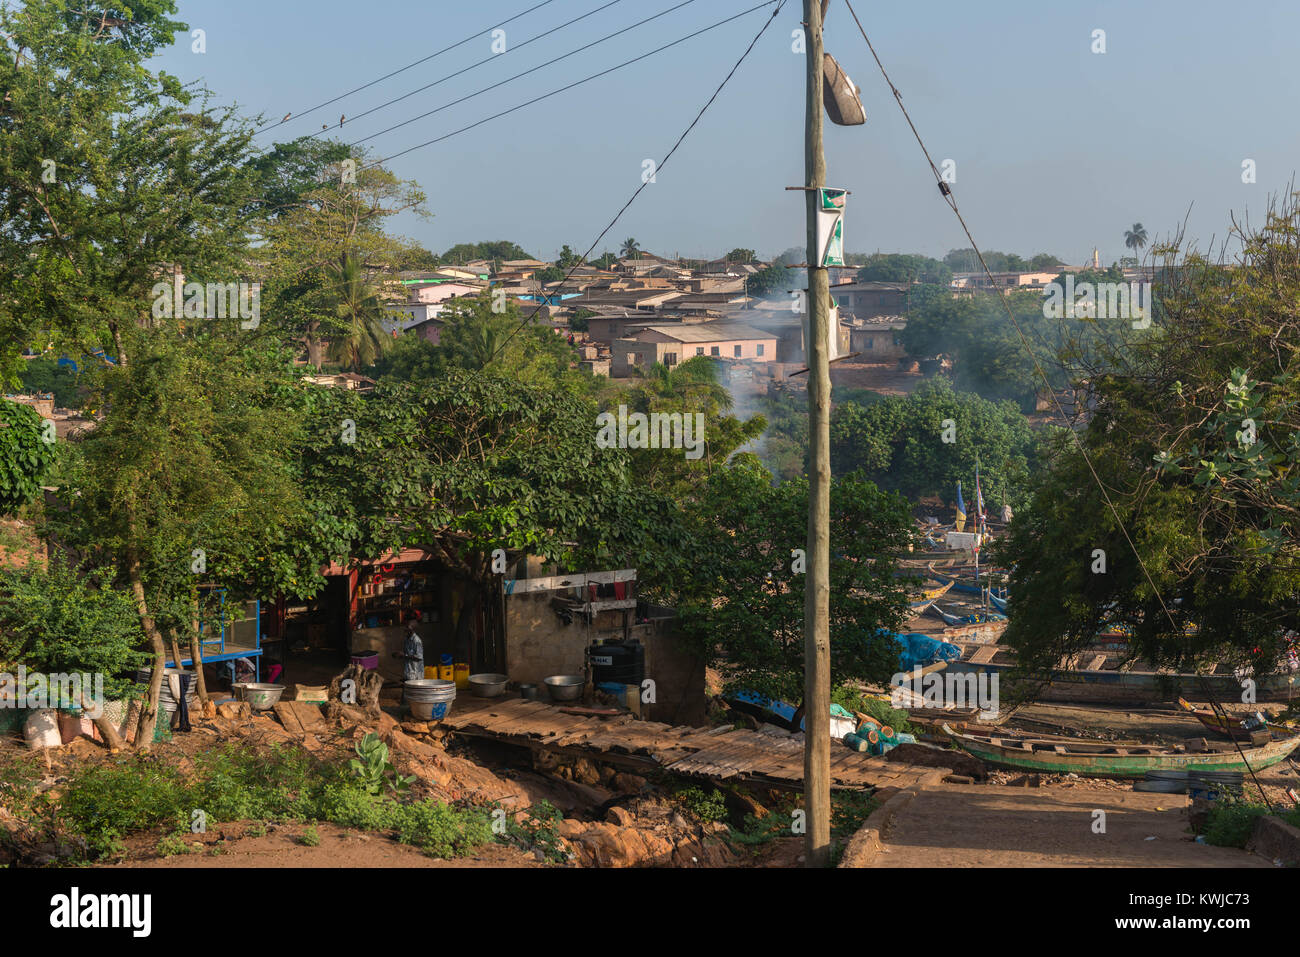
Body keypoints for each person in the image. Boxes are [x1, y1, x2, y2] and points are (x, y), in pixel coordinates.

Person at [393, 616, 424, 704]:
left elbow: (419, 657)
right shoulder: (407, 640)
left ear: (413, 628)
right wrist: (399, 655)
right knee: (406, 698)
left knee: (411, 698)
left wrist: (404, 655)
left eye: (407, 626)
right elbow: (407, 655)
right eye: (405, 626)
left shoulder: (416, 641)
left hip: (416, 674)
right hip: (409, 672)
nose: (405, 628)